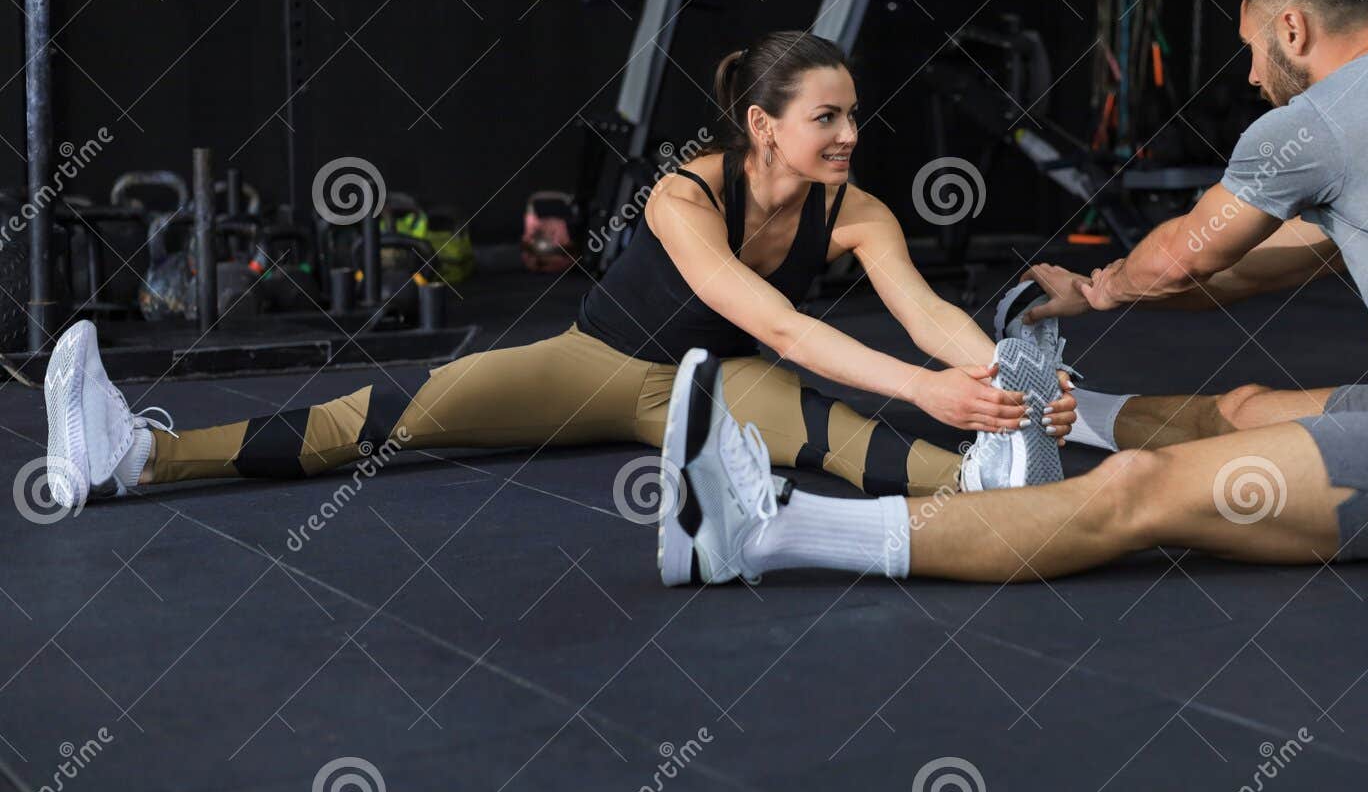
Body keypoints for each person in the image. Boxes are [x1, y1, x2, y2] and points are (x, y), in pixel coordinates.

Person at [658, 0, 1368, 586]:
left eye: (1252, 51)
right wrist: (1088, 305)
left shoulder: (1318, 121)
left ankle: (771, 533)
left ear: (1294, 32)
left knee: (1138, 494)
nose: (1250, 77)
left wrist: (1105, 283)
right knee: (1242, 410)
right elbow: (1279, 266)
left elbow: (1185, 257)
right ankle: (1075, 417)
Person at [40, 32, 1073, 512]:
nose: (851, 131)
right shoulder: (683, 194)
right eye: (827, 116)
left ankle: (998, 484)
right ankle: (134, 456)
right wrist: (926, 384)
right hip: (598, 364)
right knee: (386, 414)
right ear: (763, 125)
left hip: (716, 383)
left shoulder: (861, 214)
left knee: (845, 440)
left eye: (853, 112)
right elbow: (784, 321)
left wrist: (1008, 380)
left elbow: (928, 312)